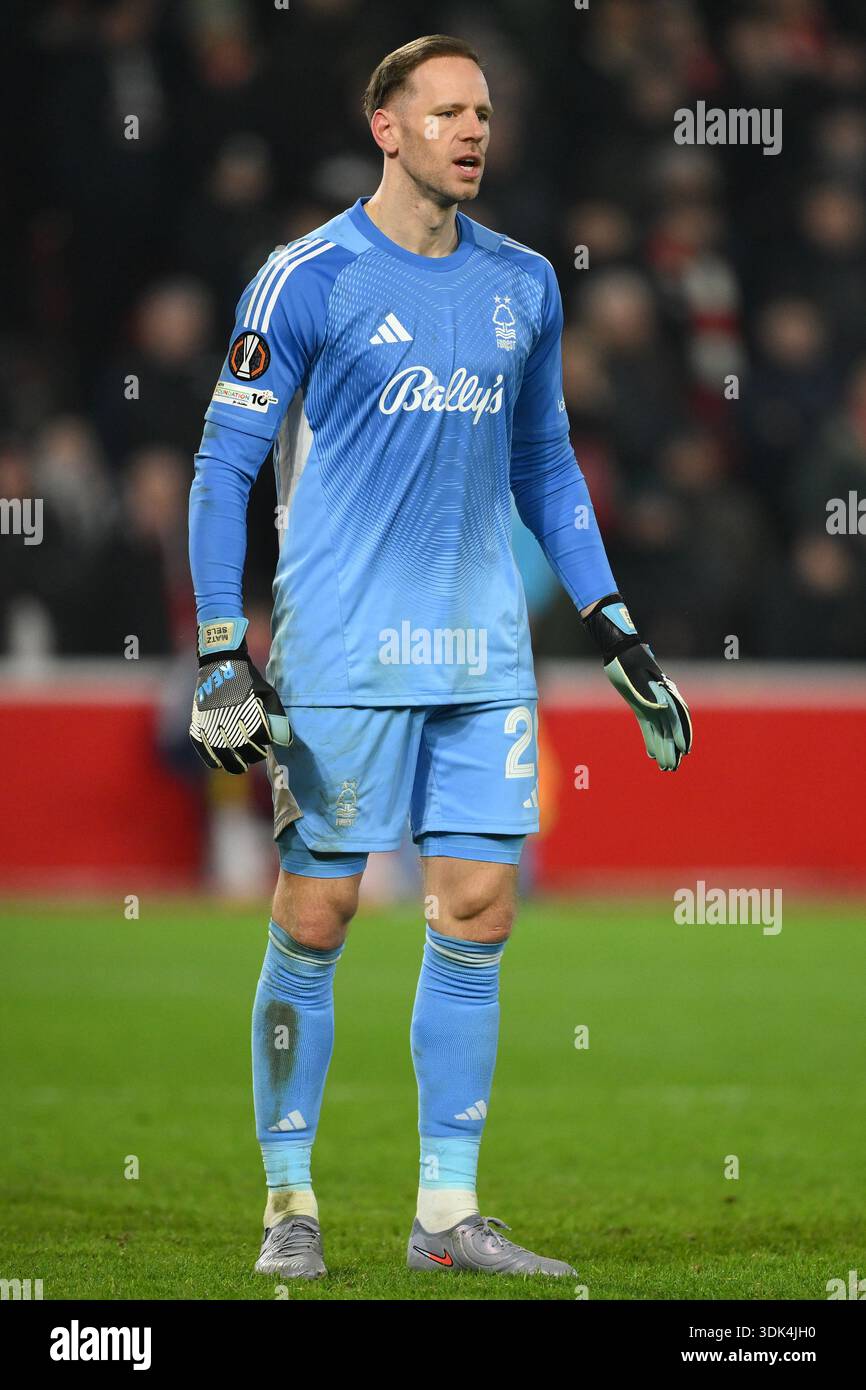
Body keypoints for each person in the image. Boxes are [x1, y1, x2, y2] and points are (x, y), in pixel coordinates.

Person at [187, 34, 691, 1281]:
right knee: (319, 909)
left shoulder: (523, 282)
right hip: (342, 652)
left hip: (480, 655)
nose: (473, 130)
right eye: (447, 111)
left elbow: (546, 465)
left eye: (483, 112)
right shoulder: (303, 278)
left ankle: (445, 1213)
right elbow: (221, 469)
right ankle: (289, 1196)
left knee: (477, 910)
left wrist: (613, 624)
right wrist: (216, 646)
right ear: (386, 127)